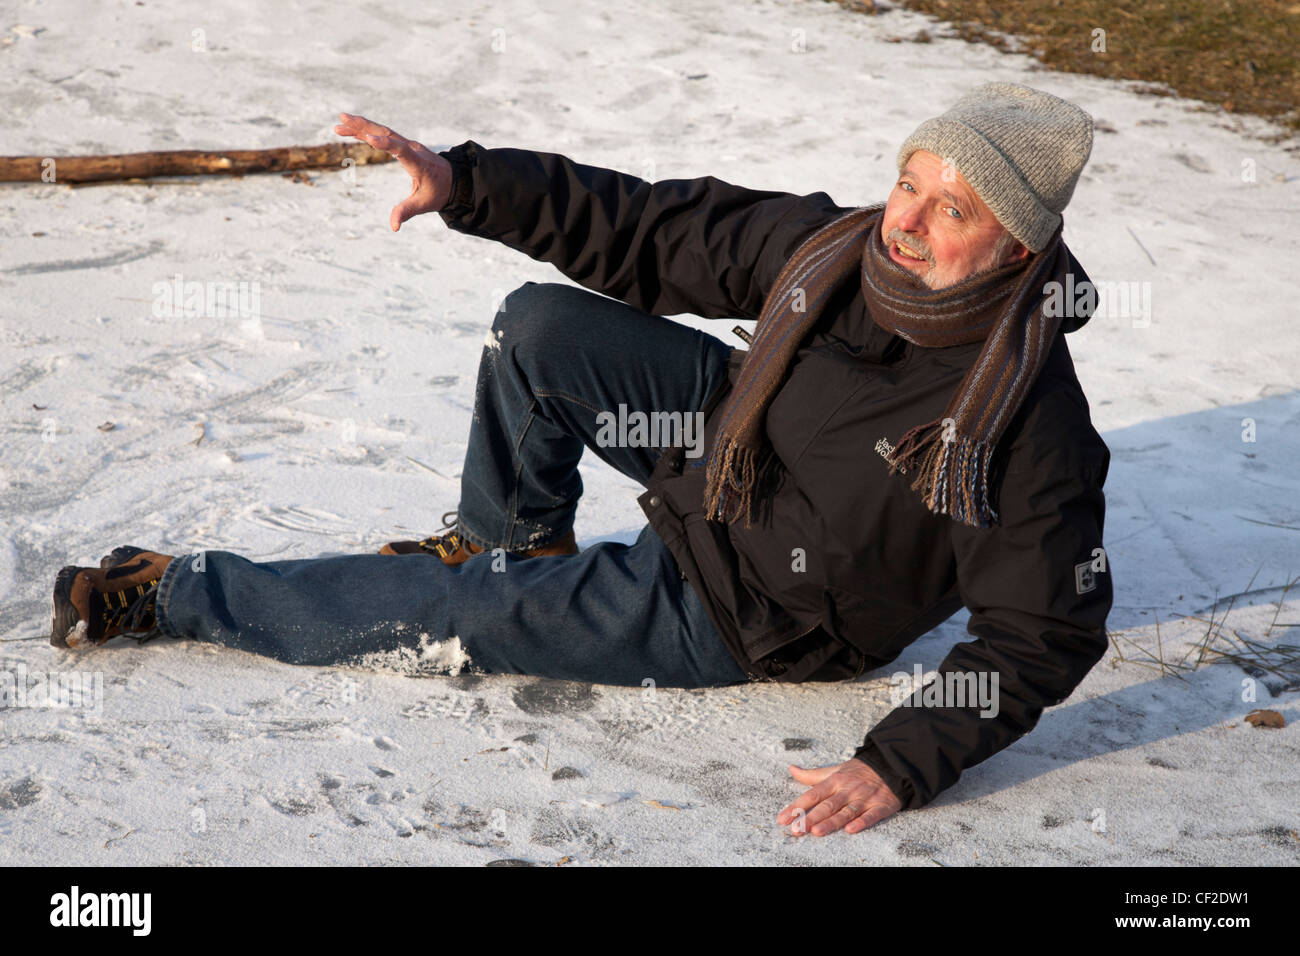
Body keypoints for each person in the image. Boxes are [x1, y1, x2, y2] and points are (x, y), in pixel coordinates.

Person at [50, 82, 1113, 838]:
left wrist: (897, 762)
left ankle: (180, 593)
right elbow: (653, 230)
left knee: (457, 610)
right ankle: (508, 531)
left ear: (1017, 245)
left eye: (952, 209)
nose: (905, 222)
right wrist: (467, 183)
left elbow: (1041, 631)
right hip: (732, 458)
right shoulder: (832, 251)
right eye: (907, 181)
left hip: (750, 604)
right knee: (540, 332)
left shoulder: (1029, 426)